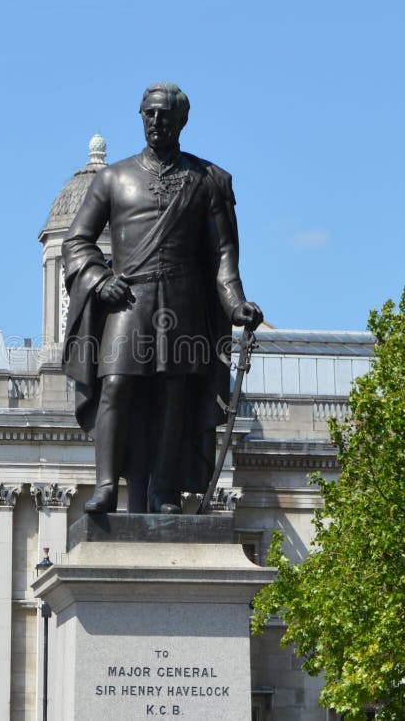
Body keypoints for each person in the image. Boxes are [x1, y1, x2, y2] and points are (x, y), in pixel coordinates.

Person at [62, 82, 263, 514]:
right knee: (115, 384)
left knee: (175, 394)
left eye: (164, 115)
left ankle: (163, 491)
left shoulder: (208, 181)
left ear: (182, 121)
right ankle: (106, 486)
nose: (155, 122)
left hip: (182, 302)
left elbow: (223, 255)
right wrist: (98, 278)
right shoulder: (112, 178)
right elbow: (76, 242)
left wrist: (235, 303)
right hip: (128, 301)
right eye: (149, 114)